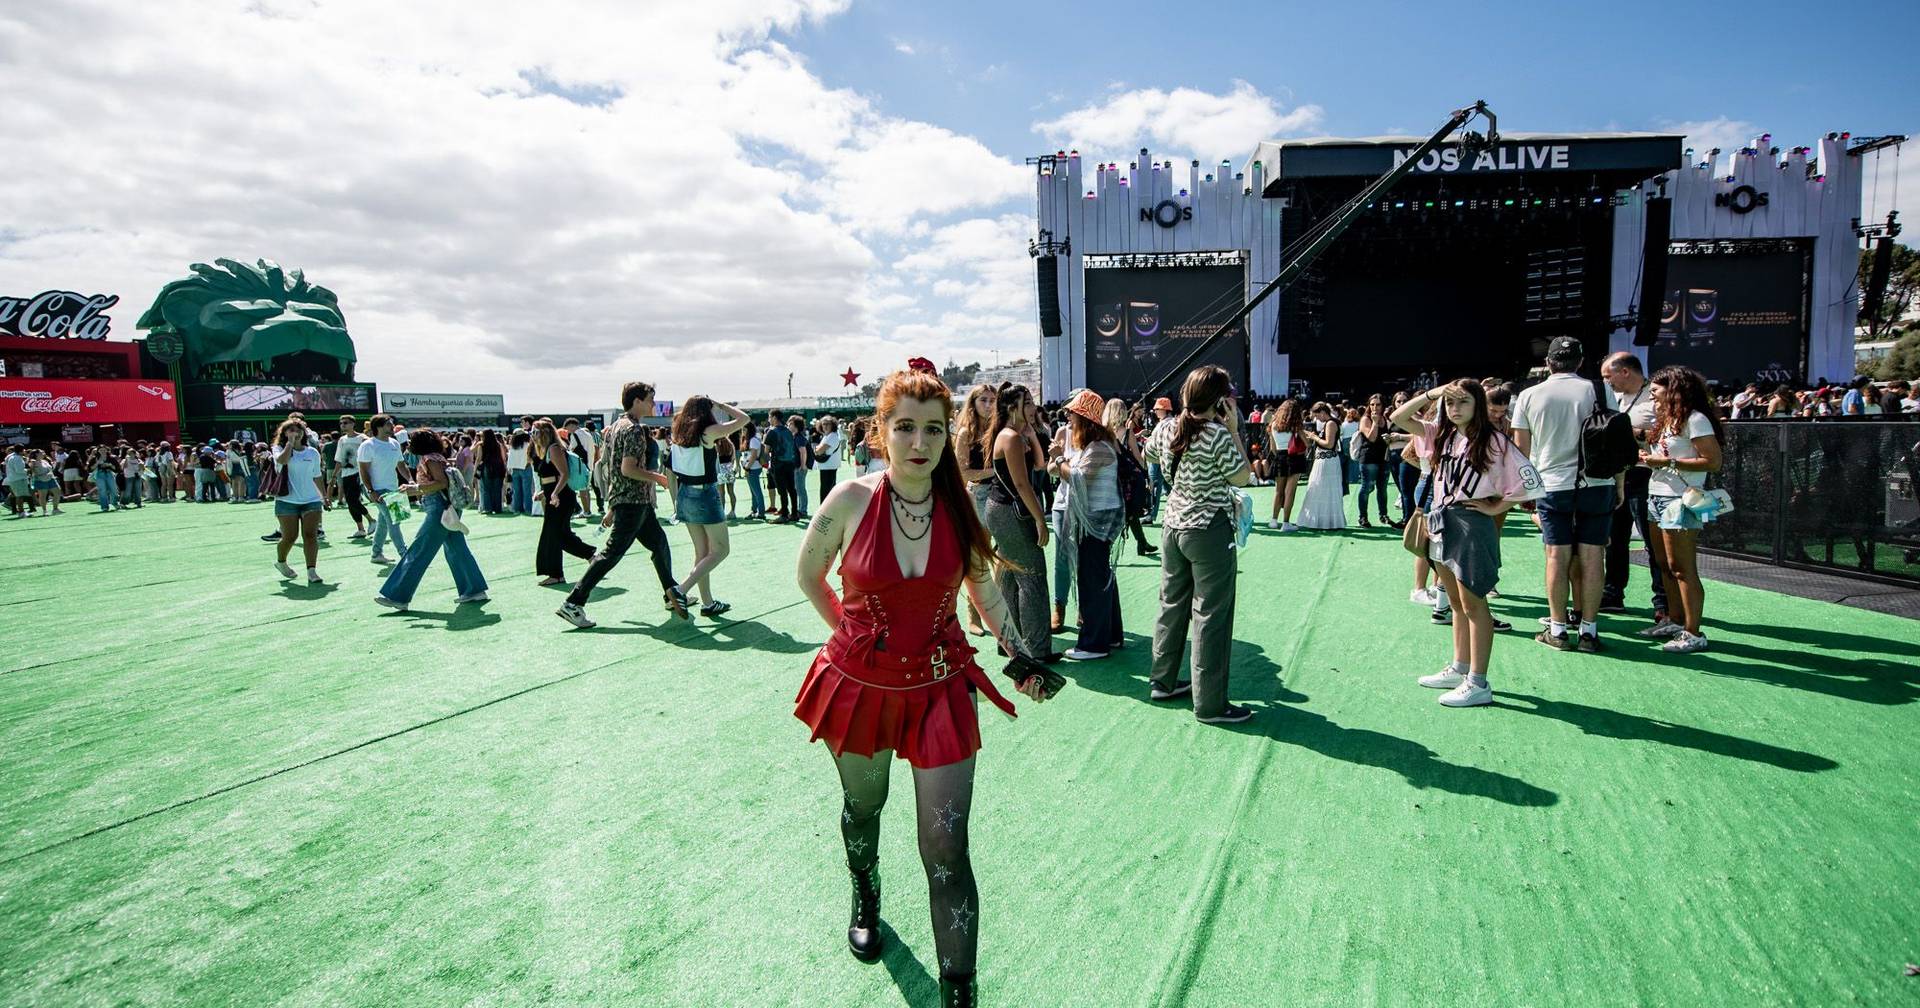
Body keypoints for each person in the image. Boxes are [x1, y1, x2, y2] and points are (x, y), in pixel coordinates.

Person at [792, 361, 1051, 1005]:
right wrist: (851, 635)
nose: (919, 443)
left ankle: (958, 991)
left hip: (939, 693)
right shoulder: (850, 500)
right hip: (860, 690)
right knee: (865, 808)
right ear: (881, 430)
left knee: (946, 850)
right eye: (905, 427)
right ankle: (865, 887)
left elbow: (986, 595)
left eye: (932, 430)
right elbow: (809, 576)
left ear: (946, 435)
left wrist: (1020, 653)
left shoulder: (960, 512)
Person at [1391, 380, 1538, 707]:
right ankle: (1460, 667)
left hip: (1471, 524)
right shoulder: (1440, 435)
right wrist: (1433, 394)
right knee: (1455, 602)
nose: (1455, 408)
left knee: (1474, 604)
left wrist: (1497, 506)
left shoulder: (1494, 440)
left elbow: (1528, 480)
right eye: (1451, 403)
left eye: (1463, 402)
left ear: (1478, 406)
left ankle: (1478, 681)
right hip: (1441, 521)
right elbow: (1399, 417)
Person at [1143, 365, 1254, 723]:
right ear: (1221, 400)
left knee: (1171, 603)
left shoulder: (1165, 427)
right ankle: (1210, 705)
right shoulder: (1218, 435)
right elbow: (1243, 477)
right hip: (1208, 529)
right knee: (1210, 614)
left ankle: (1162, 681)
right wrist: (1235, 431)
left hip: (1173, 524)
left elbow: (1149, 456)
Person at [1512, 336, 1613, 653]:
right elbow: (1615, 437)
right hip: (1597, 483)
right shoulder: (1599, 390)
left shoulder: (1529, 395)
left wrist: (1525, 492)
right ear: (1581, 361)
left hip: (1552, 485)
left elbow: (1520, 452)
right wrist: (1619, 483)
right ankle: (1589, 632)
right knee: (1594, 555)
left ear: (1548, 362)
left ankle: (1557, 630)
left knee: (1556, 556)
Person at [557, 382, 683, 628]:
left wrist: (613, 505)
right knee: (611, 554)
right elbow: (628, 468)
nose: (653, 404)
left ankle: (672, 592)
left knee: (659, 543)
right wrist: (657, 477)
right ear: (636, 401)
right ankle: (573, 602)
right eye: (650, 399)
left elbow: (612, 468)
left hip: (629, 500)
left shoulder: (615, 426)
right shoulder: (634, 429)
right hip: (633, 500)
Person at [1639, 366, 1725, 654]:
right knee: (1663, 564)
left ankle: (1693, 632)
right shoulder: (1667, 419)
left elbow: (1712, 461)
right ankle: (1674, 621)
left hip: (1682, 500)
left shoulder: (1696, 420)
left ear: (1673, 390)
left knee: (1682, 568)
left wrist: (1667, 464)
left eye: (1656, 391)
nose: (1652, 396)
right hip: (1657, 496)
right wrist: (1652, 460)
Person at [1046, 390, 1125, 660]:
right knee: (1102, 579)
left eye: (1072, 414)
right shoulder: (1097, 446)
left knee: (1093, 580)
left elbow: (1077, 479)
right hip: (1096, 523)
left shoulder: (1099, 448)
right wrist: (1061, 463)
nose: (1067, 418)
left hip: (1096, 524)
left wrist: (1058, 458)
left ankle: (1093, 644)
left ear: (1085, 420)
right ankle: (1111, 636)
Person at [374, 429, 489, 611]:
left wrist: (416, 489)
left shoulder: (429, 458)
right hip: (446, 507)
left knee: (419, 551)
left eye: (412, 440)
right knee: (456, 549)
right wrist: (414, 487)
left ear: (420, 443)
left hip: (438, 508)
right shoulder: (436, 457)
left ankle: (397, 596)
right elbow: (437, 482)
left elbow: (441, 483)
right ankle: (474, 589)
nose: (409, 442)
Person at [982, 381, 1056, 663]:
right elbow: (1023, 484)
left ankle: (1009, 643)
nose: (1033, 406)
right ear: (1012, 407)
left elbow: (1039, 464)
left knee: (1012, 577)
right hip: (1011, 513)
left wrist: (1030, 430)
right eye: (1027, 403)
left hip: (1003, 511)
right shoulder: (1010, 437)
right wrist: (1040, 519)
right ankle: (1037, 649)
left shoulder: (1015, 434)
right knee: (1032, 577)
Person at [1598, 352, 1671, 632]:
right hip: (1616, 477)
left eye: (1608, 375)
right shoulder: (1610, 397)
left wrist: (1634, 432)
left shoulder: (1655, 397)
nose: (1607, 381)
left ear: (1625, 371)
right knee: (1615, 540)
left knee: (1653, 545)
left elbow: (1667, 432)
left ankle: (1662, 603)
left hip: (1646, 478)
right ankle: (1612, 593)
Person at [668, 395, 750, 617]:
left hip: (685, 494)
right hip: (704, 494)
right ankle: (680, 590)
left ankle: (707, 603)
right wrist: (724, 405)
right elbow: (744, 419)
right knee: (721, 549)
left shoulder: (678, 433)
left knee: (702, 553)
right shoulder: (708, 432)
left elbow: (671, 471)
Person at [954, 384, 999, 637]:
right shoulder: (965, 433)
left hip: (1001, 495)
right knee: (978, 557)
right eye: (984, 400)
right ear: (973, 403)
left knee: (1002, 555)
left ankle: (998, 610)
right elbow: (963, 473)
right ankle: (974, 614)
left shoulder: (999, 429)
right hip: (978, 494)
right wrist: (996, 472)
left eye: (993, 399)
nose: (989, 404)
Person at [531, 418, 596, 585]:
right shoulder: (548, 450)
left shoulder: (554, 449)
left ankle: (587, 558)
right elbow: (552, 477)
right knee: (559, 534)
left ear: (544, 433)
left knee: (556, 535)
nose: (532, 435)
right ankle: (589, 558)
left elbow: (564, 474)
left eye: (535, 432)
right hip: (556, 497)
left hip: (561, 499)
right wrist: (543, 493)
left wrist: (554, 494)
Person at [267, 420, 326, 583]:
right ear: (284, 433)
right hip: (287, 501)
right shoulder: (278, 449)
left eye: (299, 430)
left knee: (310, 535)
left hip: (311, 500)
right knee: (290, 537)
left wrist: (324, 496)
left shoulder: (312, 452)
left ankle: (312, 571)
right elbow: (282, 461)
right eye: (291, 430)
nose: (296, 433)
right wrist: (290, 444)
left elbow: (317, 476)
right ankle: (281, 562)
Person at [1103, 397, 1157, 558]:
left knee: (1123, 513)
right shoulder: (1127, 433)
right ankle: (1136, 544)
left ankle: (1142, 543)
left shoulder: (1103, 432)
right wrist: (1147, 474)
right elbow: (1137, 457)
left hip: (1109, 478)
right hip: (1127, 480)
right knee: (1128, 513)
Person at [356, 415, 411, 565]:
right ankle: (405, 555)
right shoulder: (367, 445)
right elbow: (363, 470)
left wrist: (411, 480)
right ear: (378, 427)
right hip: (377, 490)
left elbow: (401, 465)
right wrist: (370, 490)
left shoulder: (394, 443)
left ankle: (376, 554)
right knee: (394, 521)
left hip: (394, 489)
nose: (392, 427)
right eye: (388, 424)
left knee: (384, 523)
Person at [1293, 401, 1346, 530]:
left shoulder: (1331, 423)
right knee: (1320, 489)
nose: (1317, 419)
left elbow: (1328, 444)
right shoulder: (1329, 423)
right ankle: (1323, 520)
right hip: (1324, 461)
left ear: (1323, 413)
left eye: (1317, 416)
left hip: (1327, 462)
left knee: (1323, 489)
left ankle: (1326, 521)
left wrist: (1314, 437)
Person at [1355, 394, 1393, 528]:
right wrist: (1375, 423)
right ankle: (1363, 517)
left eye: (1378, 405)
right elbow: (1371, 438)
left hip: (1383, 458)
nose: (1374, 408)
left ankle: (1384, 515)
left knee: (1382, 489)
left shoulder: (1386, 418)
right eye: (1372, 404)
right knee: (1366, 487)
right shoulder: (1365, 419)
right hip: (1368, 458)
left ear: (1383, 406)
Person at [765, 409, 798, 522]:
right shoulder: (788, 431)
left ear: (774, 418)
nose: (769, 420)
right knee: (791, 489)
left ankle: (784, 514)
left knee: (782, 490)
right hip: (790, 462)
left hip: (778, 463)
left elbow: (766, 450)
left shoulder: (771, 431)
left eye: (769, 417)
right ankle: (794, 513)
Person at [476, 429, 506, 514]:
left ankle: (488, 508)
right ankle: (497, 508)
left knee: (486, 489)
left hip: (486, 467)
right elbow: (503, 458)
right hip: (498, 467)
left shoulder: (482, 445)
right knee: (497, 489)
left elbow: (478, 459)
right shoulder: (498, 444)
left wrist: (476, 470)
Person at [741, 420, 766, 520]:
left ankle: (760, 512)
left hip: (753, 468)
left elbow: (754, 455)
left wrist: (747, 467)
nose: (742, 431)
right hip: (751, 467)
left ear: (749, 430)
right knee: (754, 491)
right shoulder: (751, 439)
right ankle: (755, 510)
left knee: (756, 491)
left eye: (744, 429)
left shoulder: (753, 440)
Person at [813, 417, 843, 500]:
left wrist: (817, 449)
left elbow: (818, 451)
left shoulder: (832, 436)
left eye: (827, 424)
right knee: (828, 490)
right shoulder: (827, 436)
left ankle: (824, 510)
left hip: (829, 467)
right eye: (823, 424)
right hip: (827, 466)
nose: (825, 426)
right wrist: (818, 449)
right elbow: (819, 450)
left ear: (832, 425)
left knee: (826, 491)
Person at [789, 415, 813, 519]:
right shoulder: (796, 436)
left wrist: (802, 466)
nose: (788, 425)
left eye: (790, 423)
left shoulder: (799, 437)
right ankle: (800, 509)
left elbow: (803, 452)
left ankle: (803, 510)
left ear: (795, 425)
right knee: (798, 489)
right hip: (797, 466)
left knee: (800, 489)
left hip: (799, 467)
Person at [507, 430, 534, 514]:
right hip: (525, 468)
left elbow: (510, 459)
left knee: (516, 490)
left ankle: (517, 508)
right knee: (527, 490)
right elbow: (530, 457)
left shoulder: (512, 446)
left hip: (515, 469)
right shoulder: (528, 445)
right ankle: (528, 509)